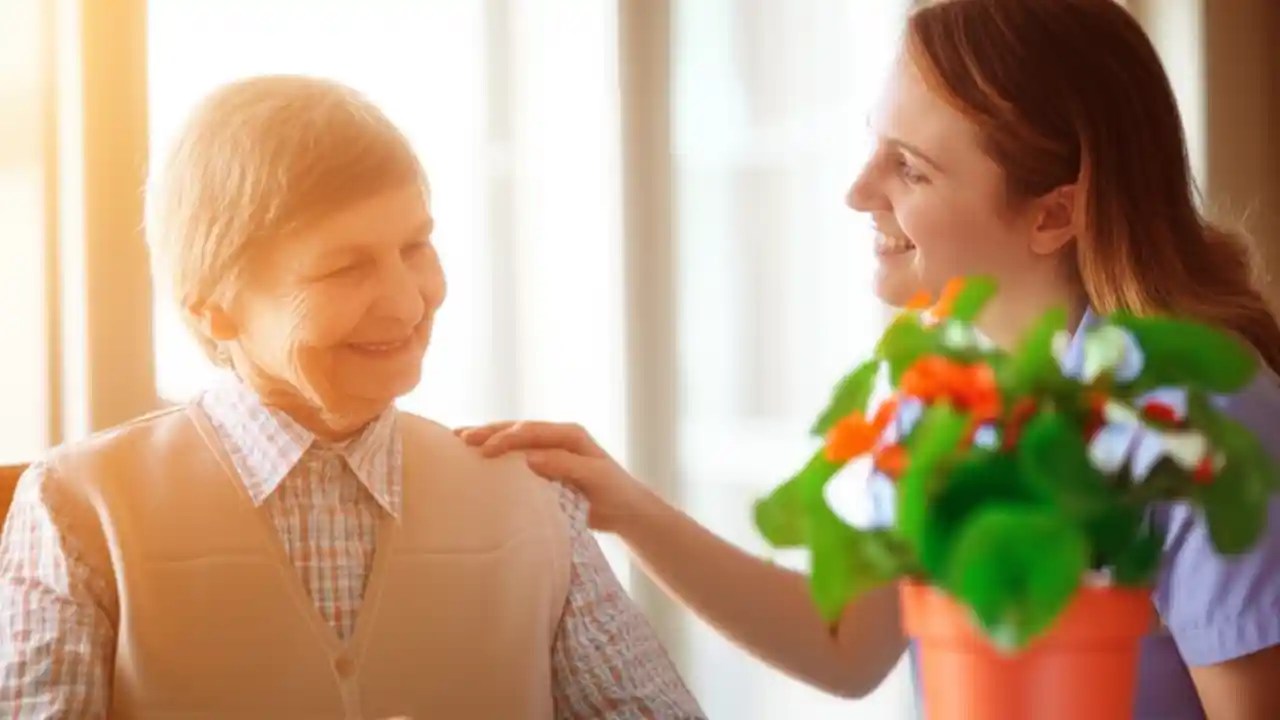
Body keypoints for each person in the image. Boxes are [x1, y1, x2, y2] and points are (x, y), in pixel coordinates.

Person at [456, 0, 1280, 717]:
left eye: (909, 169)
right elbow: (845, 643)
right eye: (875, 146)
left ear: (1052, 215)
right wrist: (627, 508)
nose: (857, 190)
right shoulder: (938, 383)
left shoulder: (1201, 418)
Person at [0, 75, 703, 719]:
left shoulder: (532, 497)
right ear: (215, 310)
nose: (405, 301)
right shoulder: (78, 509)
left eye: (416, 246)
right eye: (344, 268)